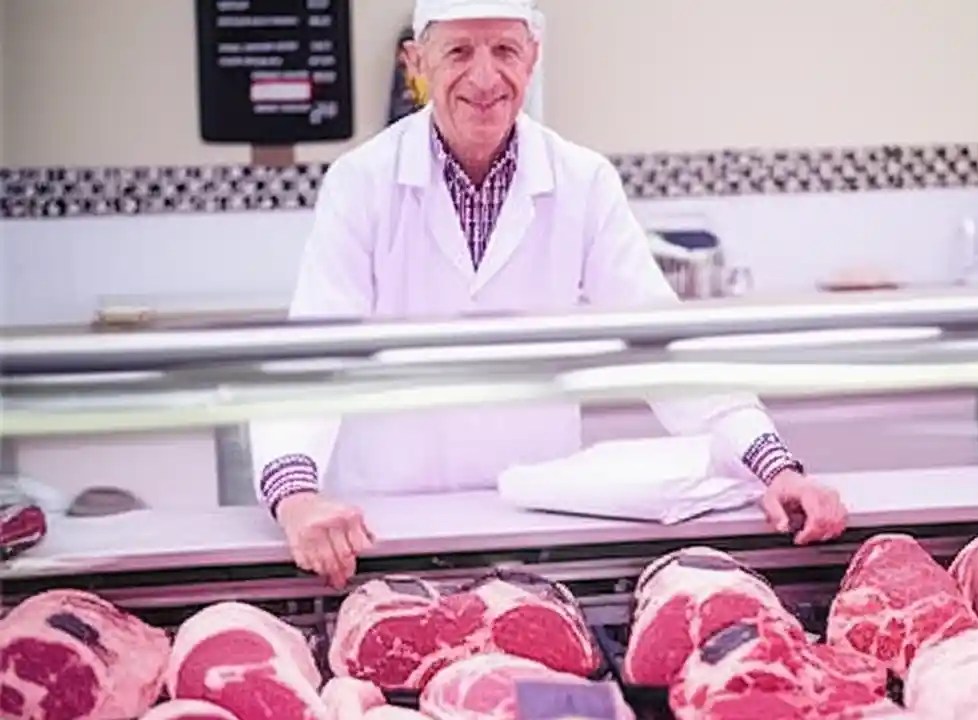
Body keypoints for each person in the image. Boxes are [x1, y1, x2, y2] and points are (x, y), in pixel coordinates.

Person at [251, 0, 847, 588]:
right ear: (417, 63)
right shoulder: (362, 183)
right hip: (386, 528)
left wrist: (775, 468)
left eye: (505, 49)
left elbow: (661, 346)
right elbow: (314, 352)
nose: (485, 78)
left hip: (534, 532)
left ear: (532, 57)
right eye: (458, 51)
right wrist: (296, 496)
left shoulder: (582, 181)